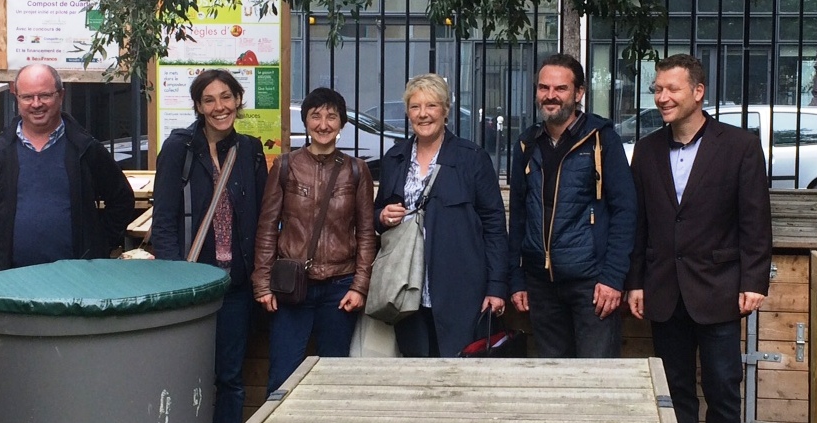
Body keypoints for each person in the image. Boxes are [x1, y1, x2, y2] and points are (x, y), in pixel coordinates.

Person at [626, 54, 773, 423]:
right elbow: (639, 224)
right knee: (677, 389)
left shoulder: (740, 147)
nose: (662, 98)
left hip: (720, 289)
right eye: (657, 90)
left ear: (698, 92)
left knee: (724, 389)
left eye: (671, 89)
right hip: (664, 290)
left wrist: (754, 280)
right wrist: (635, 283)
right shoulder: (647, 150)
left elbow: (755, 220)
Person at [150, 69, 269, 423]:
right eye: (209, 100)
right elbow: (163, 219)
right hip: (191, 282)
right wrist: (171, 277)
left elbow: (261, 216)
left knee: (230, 374)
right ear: (198, 107)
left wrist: (259, 272)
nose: (219, 106)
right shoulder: (180, 149)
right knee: (185, 372)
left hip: (234, 282)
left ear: (238, 100)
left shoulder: (250, 149)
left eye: (226, 97)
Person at [507, 53, 636, 357]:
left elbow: (625, 212)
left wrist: (612, 279)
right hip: (541, 284)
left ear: (578, 94)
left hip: (591, 285)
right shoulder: (527, 144)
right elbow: (519, 216)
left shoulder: (602, 140)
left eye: (560, 88)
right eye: (543, 88)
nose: (550, 96)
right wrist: (516, 278)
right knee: (555, 380)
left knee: (596, 378)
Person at [253, 87, 377, 392]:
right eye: (316, 116)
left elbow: (365, 233)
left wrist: (360, 286)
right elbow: (268, 228)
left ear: (342, 123)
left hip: (339, 288)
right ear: (306, 122)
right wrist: (262, 282)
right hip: (293, 286)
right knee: (282, 377)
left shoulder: (356, 171)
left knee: (334, 378)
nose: (323, 124)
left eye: (331, 116)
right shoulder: (284, 166)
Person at [377, 73, 508, 356]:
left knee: (458, 374)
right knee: (415, 371)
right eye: (415, 107)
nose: (423, 114)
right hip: (406, 291)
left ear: (446, 110)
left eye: (432, 106)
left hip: (460, 290)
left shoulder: (471, 158)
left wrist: (496, 287)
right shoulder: (395, 158)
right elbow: (378, 212)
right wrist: (383, 216)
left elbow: (494, 225)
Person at [0, 64, 135, 274]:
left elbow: (122, 200)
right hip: (9, 280)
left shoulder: (86, 150)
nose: (36, 104)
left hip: (77, 280)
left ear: (60, 95)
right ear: (16, 97)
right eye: (27, 97)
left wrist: (97, 244)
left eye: (45, 95)